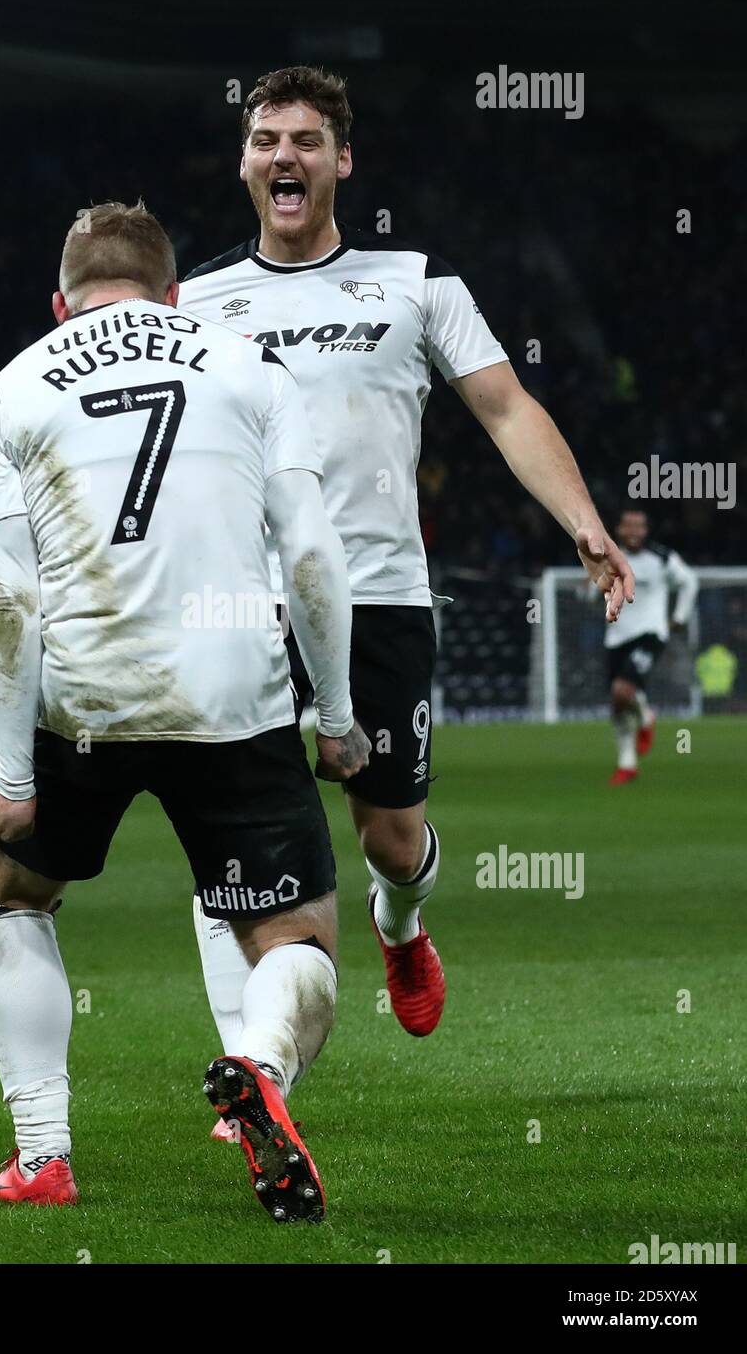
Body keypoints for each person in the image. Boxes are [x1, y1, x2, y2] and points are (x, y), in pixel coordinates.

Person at [176, 65, 634, 1055]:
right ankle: (254, 1065)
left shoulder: (420, 284)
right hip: (242, 606)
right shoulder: (197, 301)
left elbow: (507, 408)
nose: (284, 156)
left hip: (379, 596)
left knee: (388, 836)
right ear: (245, 161)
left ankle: (401, 923)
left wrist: (583, 522)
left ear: (343, 160)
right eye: (266, 140)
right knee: (237, 838)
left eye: (304, 140)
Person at [0, 200, 368, 1221]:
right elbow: (312, 554)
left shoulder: (7, 395)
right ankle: (259, 1069)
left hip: (85, 700)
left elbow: (13, 598)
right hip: (233, 692)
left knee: (15, 891)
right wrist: (340, 715)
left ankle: (44, 1156)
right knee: (296, 939)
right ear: (175, 294)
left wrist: (15, 780)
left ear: (61, 303)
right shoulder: (245, 363)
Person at [602, 508, 697, 785]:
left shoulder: (662, 558)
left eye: (639, 526)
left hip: (650, 634)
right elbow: (588, 595)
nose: (633, 531)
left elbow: (689, 582)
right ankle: (627, 764)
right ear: (618, 529)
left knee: (623, 691)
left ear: (646, 530)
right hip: (616, 637)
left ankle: (646, 716)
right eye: (628, 526)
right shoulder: (608, 558)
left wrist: (678, 618)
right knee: (619, 705)